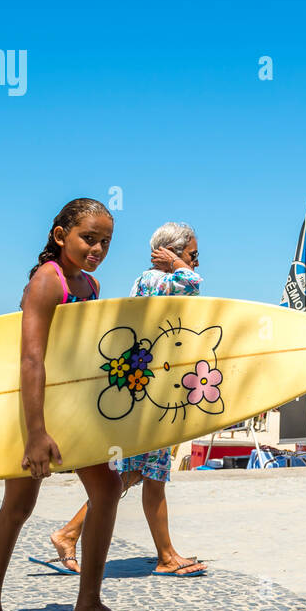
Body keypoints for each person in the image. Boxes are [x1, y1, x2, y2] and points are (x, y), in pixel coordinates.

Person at [0, 197, 140, 611]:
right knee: (18, 506)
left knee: (108, 486)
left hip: (74, 409)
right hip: (35, 409)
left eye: (105, 242)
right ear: (60, 234)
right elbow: (31, 359)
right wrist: (35, 432)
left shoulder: (92, 286)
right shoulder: (48, 282)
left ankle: (88, 606)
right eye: (89, 238)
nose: (98, 249)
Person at [46, 222, 207, 579]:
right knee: (149, 474)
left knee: (138, 472)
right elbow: (196, 286)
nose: (195, 264)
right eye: (192, 255)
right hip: (151, 396)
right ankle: (164, 556)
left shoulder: (150, 281)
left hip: (147, 389)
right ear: (171, 253)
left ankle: (70, 534)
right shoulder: (156, 280)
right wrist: (178, 266)